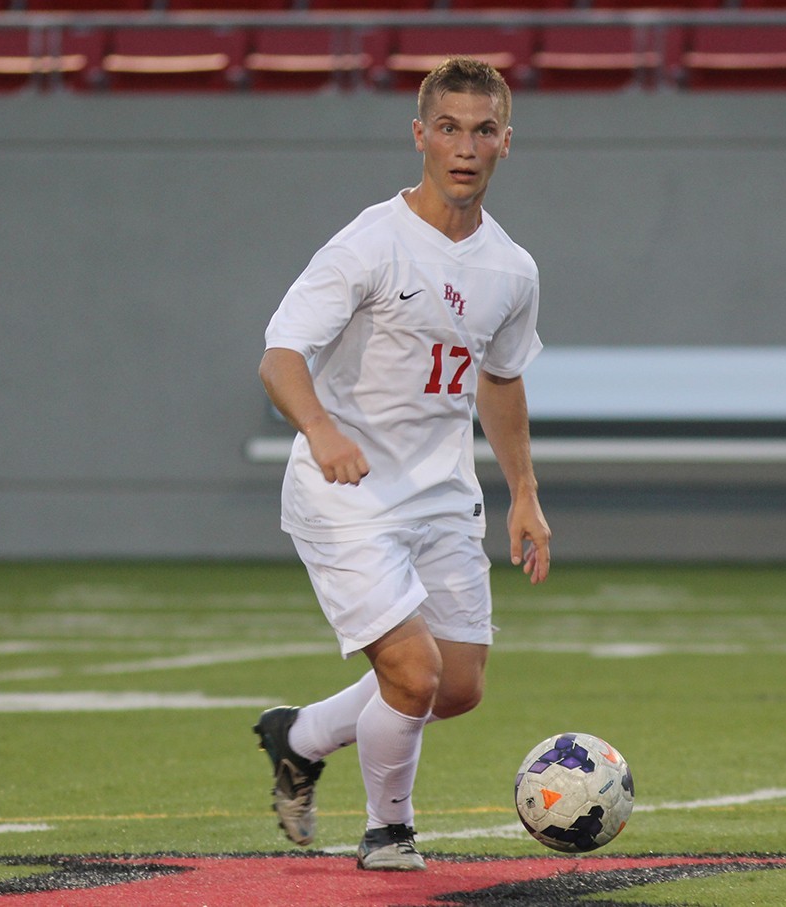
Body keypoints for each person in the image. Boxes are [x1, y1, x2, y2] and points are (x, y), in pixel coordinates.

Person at [252, 57, 551, 871]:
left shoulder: (511, 269)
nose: (464, 146)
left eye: (482, 130)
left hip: (443, 493)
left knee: (458, 687)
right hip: (345, 493)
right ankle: (390, 828)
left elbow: (500, 377)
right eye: (448, 128)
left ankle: (299, 735)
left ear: (505, 143)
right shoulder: (370, 244)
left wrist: (524, 491)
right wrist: (320, 429)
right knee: (413, 674)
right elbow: (280, 356)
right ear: (419, 135)